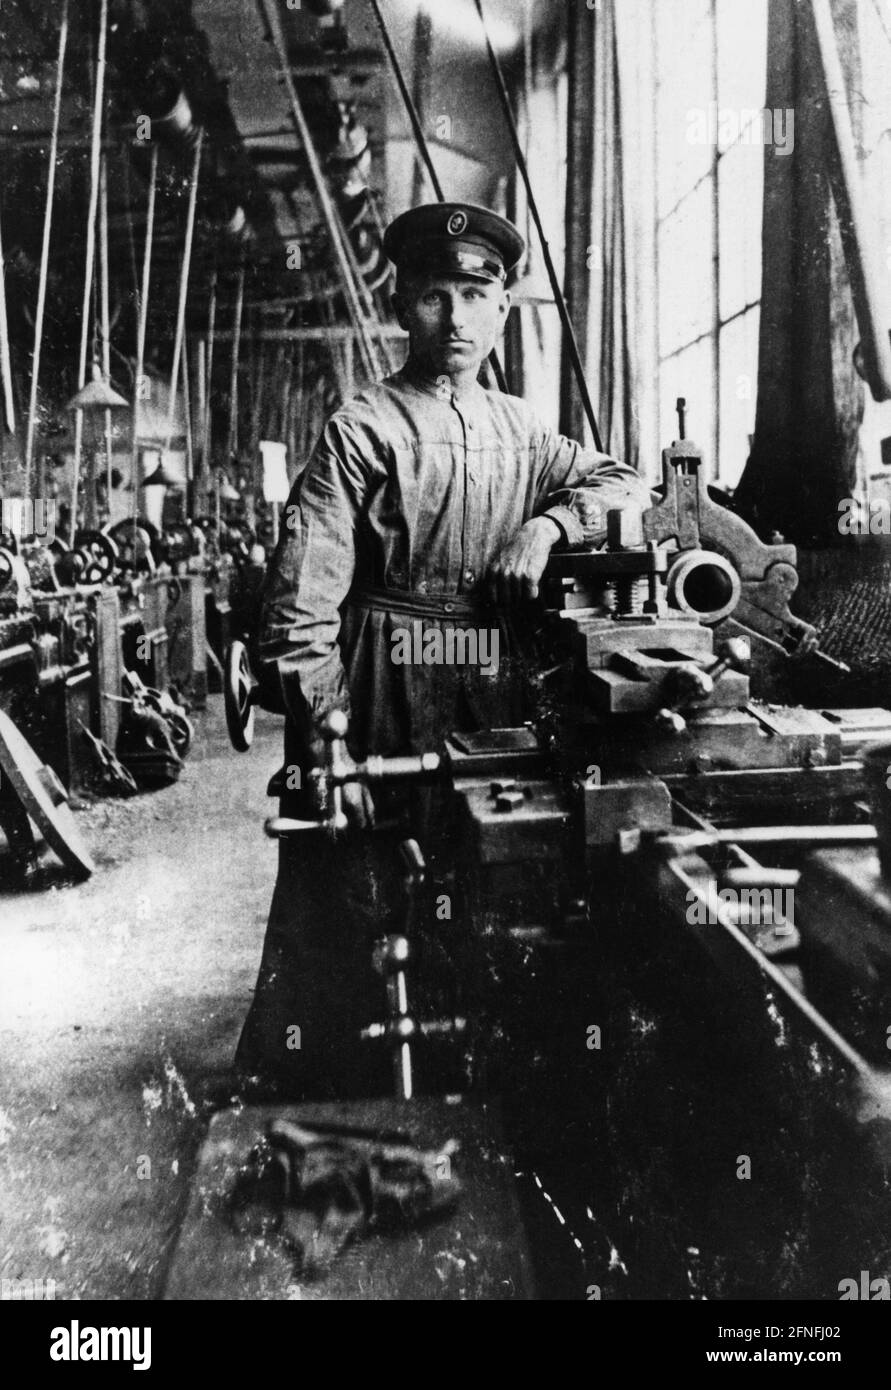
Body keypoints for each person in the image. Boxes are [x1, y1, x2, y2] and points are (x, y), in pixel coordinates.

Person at [235, 202, 651, 1097]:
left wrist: (547, 524)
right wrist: (322, 729)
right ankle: (344, 1084)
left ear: (503, 309)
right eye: (433, 295)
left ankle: (486, 1075)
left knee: (498, 861)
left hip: (494, 680)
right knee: (364, 870)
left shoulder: (525, 431)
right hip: (387, 673)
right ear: (401, 309)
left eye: (475, 293)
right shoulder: (362, 428)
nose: (455, 317)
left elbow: (625, 480)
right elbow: (302, 602)